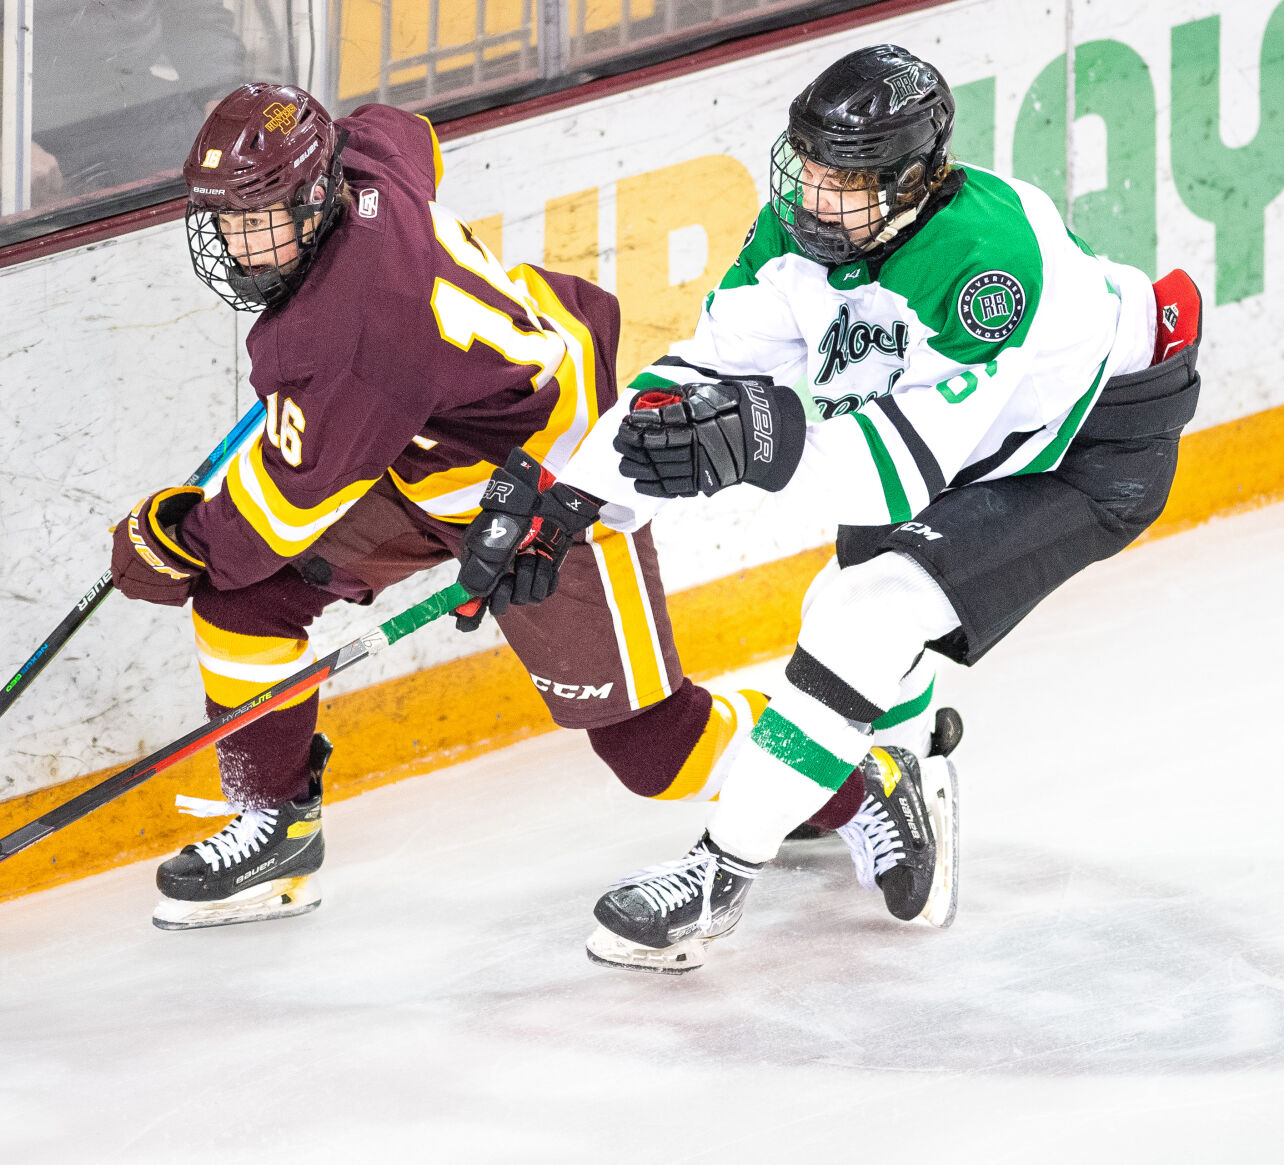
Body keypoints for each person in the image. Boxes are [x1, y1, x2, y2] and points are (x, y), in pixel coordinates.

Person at [457, 44, 1201, 973]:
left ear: (914, 180)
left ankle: (716, 879)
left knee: (865, 613)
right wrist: (572, 497)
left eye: (844, 178)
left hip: (1085, 450)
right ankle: (907, 767)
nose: (813, 192)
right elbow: (702, 372)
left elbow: (898, 474)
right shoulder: (805, 227)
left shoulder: (987, 263)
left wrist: (752, 452)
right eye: (807, 164)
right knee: (862, 600)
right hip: (953, 424)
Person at [107, 82, 822, 931]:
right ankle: (278, 828)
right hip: (420, 441)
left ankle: (853, 773)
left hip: (553, 473)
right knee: (246, 604)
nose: (237, 243)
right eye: (225, 218)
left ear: (314, 191)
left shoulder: (358, 339)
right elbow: (415, 134)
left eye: (257, 217)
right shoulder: (364, 152)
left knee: (653, 750)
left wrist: (171, 543)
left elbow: (274, 519)